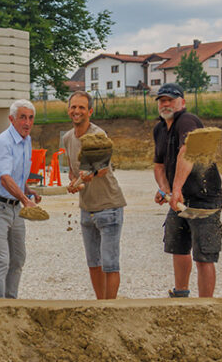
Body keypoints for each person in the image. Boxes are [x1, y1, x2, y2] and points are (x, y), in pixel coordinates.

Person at [151, 83, 222, 298]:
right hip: (179, 196)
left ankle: (205, 304)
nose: (165, 104)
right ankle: (181, 293)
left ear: (182, 102)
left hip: (204, 196)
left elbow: (187, 152)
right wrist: (164, 188)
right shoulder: (159, 129)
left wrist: (176, 189)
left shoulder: (187, 120)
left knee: (204, 255)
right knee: (178, 246)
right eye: (162, 100)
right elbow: (159, 165)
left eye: (170, 100)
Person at [61, 91, 127, 300]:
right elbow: (74, 171)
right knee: (93, 263)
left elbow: (103, 169)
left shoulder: (98, 136)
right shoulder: (68, 138)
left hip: (108, 206)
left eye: (81, 107)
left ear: (89, 111)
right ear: (68, 110)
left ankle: (110, 308)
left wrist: (92, 174)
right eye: (73, 107)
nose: (77, 111)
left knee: (109, 264)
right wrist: (73, 183)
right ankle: (101, 306)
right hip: (86, 208)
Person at [0, 99, 41, 299]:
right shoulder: (2, 142)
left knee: (18, 258)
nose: (27, 122)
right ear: (11, 119)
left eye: (30, 118)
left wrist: (29, 192)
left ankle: (11, 302)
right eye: (22, 117)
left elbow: (17, 176)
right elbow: (5, 179)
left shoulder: (27, 141)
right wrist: (25, 199)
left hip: (15, 208)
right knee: (1, 259)